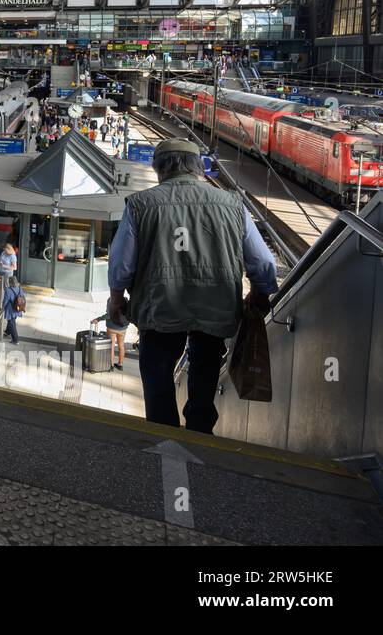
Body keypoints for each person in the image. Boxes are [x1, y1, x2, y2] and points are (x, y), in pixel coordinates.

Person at [108, 138, 277, 433]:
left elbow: (122, 263)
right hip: (215, 305)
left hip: (159, 305)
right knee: (206, 365)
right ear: (199, 168)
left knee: (158, 370)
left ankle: (164, 434)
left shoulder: (140, 204)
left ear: (159, 169)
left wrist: (116, 298)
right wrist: (260, 292)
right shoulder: (233, 205)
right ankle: (199, 429)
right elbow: (262, 262)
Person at [1, 276, 24, 344]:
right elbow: (22, 297)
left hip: (10, 310)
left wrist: (2, 307)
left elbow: (5, 301)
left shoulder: (8, 290)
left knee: (11, 323)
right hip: (18, 308)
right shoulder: (19, 288)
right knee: (12, 320)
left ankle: (15, 339)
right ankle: (7, 332)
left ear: (10, 282)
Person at [0, 243, 18, 309]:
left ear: (9, 250)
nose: (5, 252)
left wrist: (5, 266)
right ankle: (1, 302)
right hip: (1, 271)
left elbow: (15, 268)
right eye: (4, 251)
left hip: (8, 273)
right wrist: (0, 262)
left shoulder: (13, 256)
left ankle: (5, 304)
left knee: (6, 288)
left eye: (6, 251)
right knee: (1, 287)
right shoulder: (3, 253)